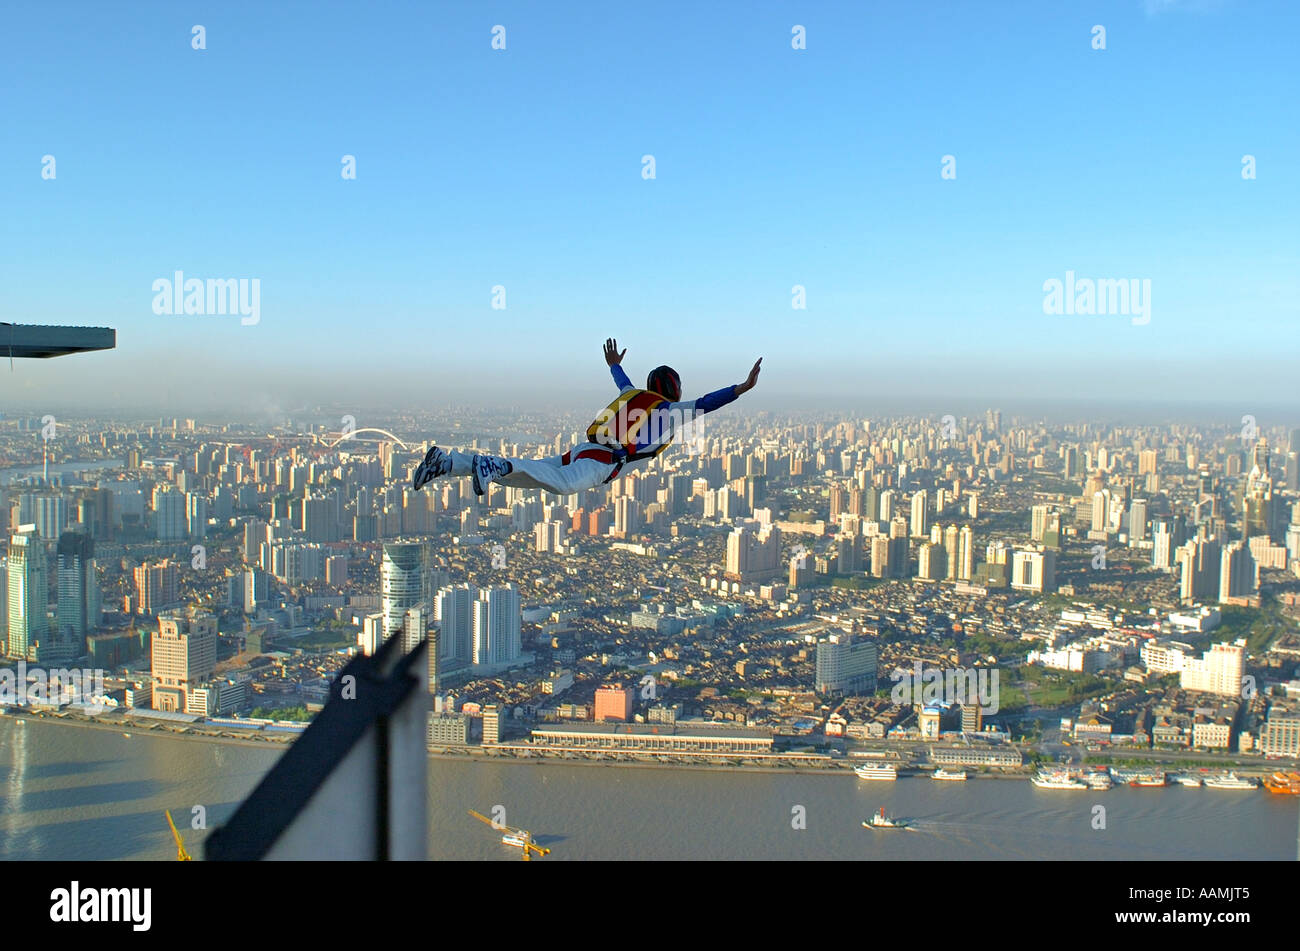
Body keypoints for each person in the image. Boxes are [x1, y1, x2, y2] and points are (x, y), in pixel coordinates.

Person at [412, 338, 762, 497]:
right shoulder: (669, 412)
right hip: (603, 461)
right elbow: (707, 403)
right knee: (562, 486)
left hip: (584, 450)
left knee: (526, 478)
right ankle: (493, 465)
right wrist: (741, 388)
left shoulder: (634, 396)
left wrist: (614, 365)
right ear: (674, 389)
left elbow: (622, 381)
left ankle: (448, 463)